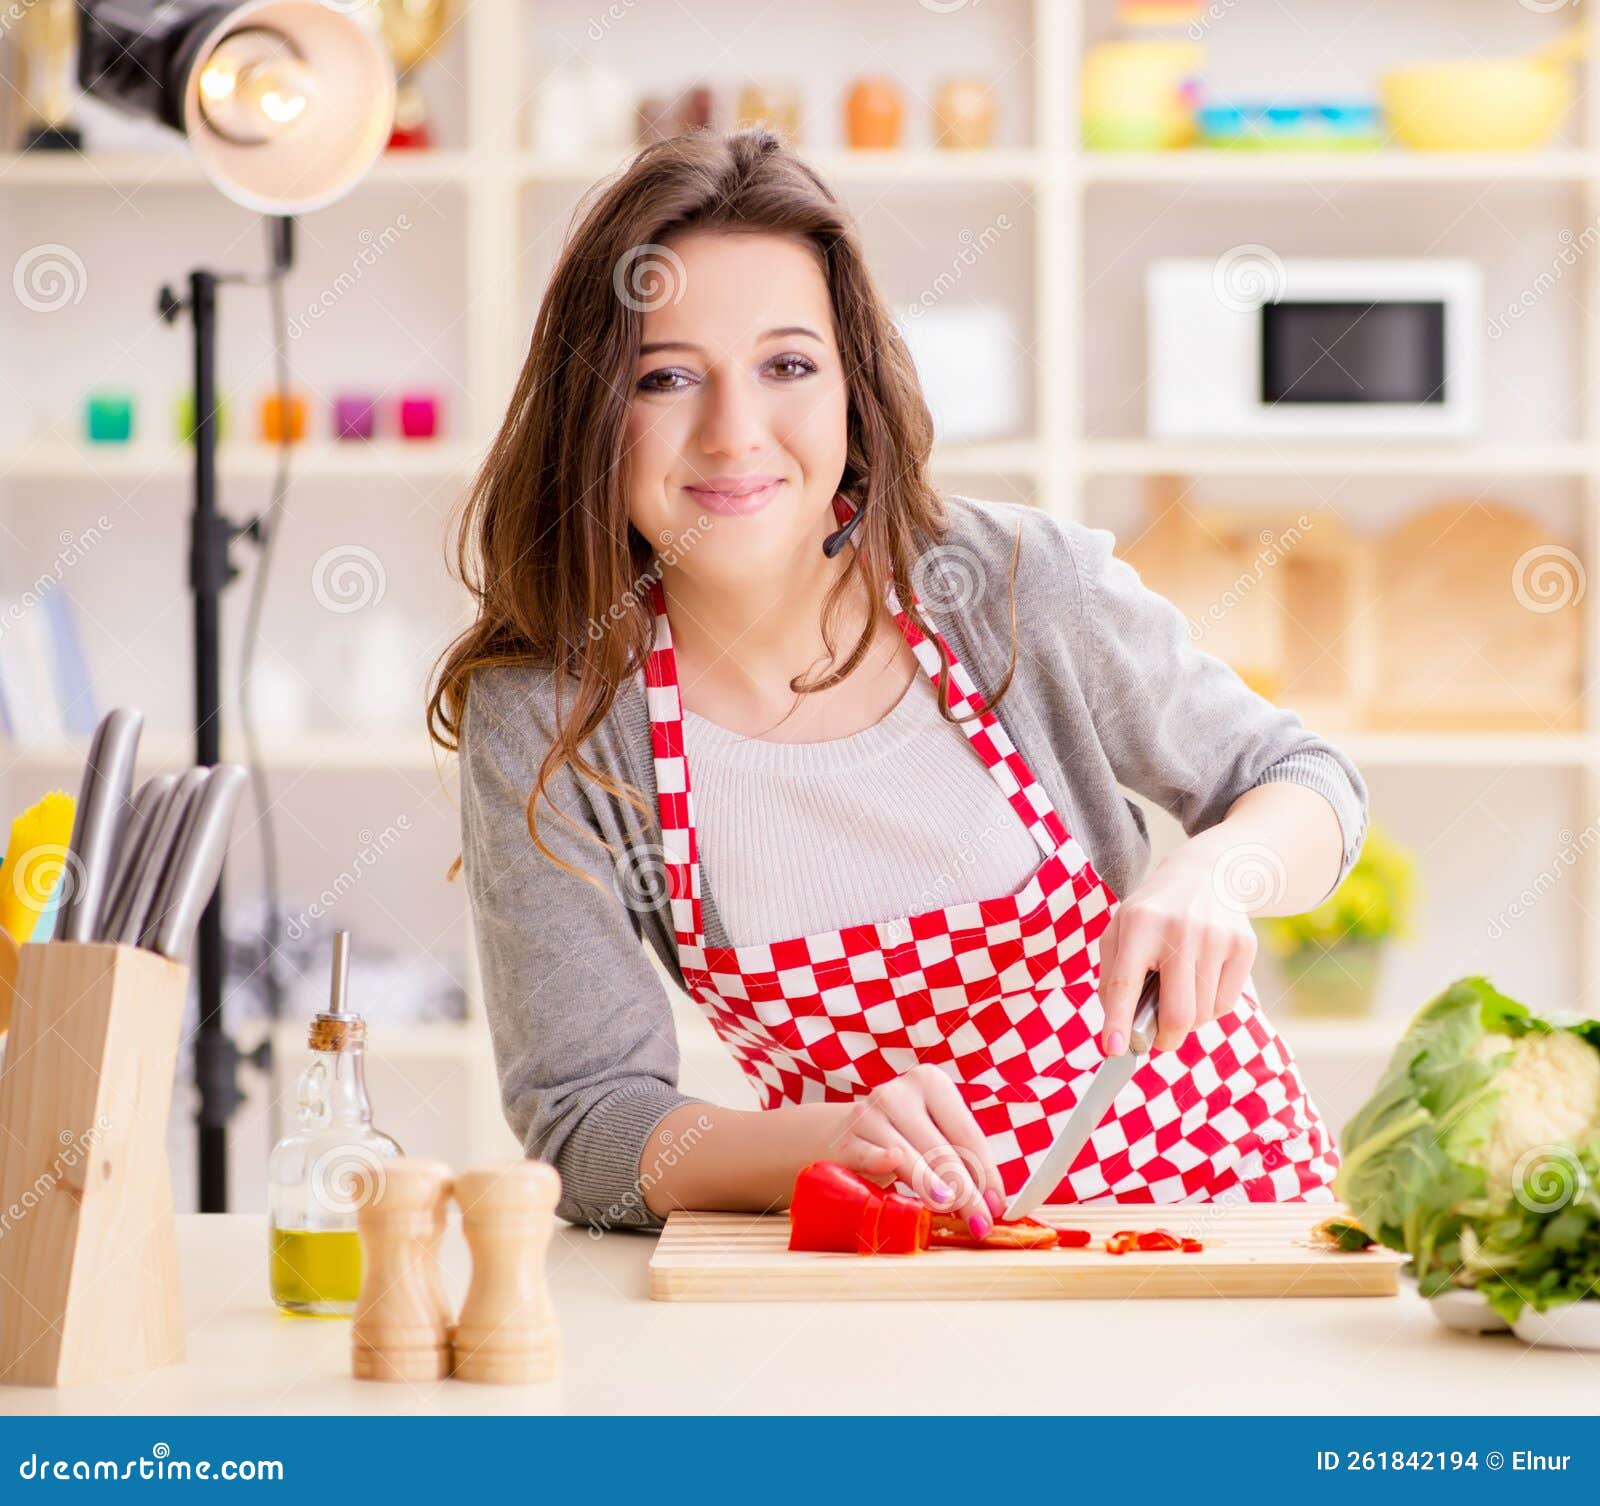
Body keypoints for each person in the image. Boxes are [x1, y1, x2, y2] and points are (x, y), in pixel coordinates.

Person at [428, 129, 1368, 1242]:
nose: (736, 437)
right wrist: (820, 1143)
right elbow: (586, 1122)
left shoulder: (1012, 587)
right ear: (593, 414)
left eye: (787, 366)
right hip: (888, 1263)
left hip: (1219, 1225)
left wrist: (1219, 868)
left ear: (850, 388)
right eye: (668, 377)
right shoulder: (552, 715)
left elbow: (1300, 777)